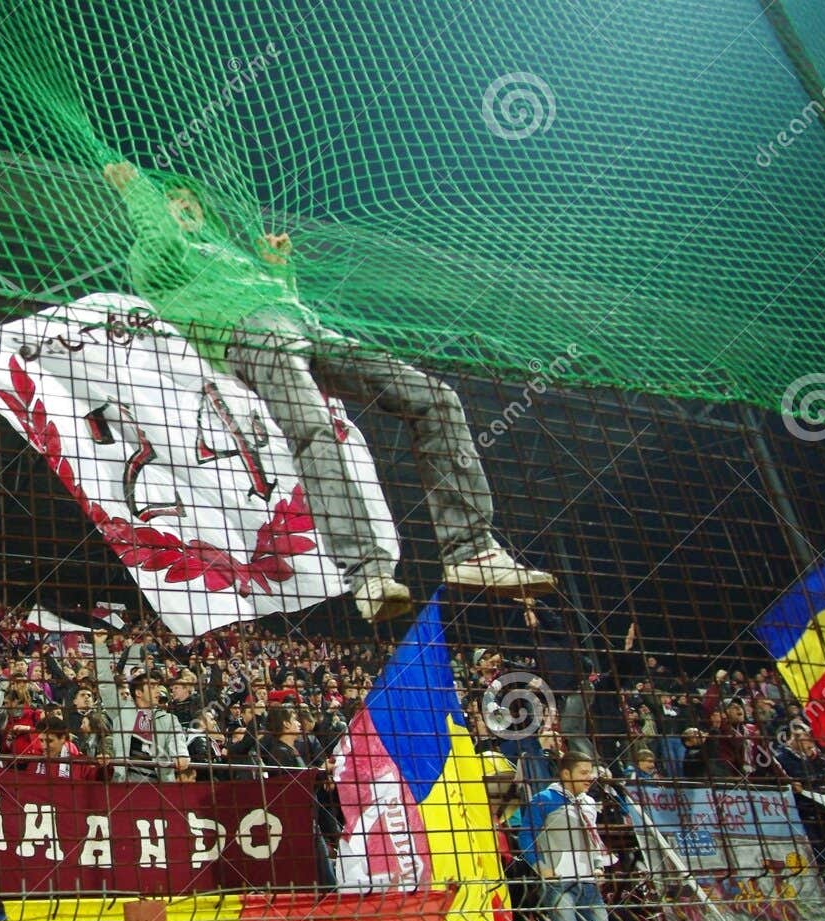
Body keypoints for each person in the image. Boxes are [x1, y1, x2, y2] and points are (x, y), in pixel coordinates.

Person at [103, 161, 554, 621]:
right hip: (250, 338)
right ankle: (369, 575)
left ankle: (472, 552)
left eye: (190, 200)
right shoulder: (153, 253)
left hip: (311, 331)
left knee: (434, 398)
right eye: (171, 201)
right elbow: (160, 241)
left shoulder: (230, 256)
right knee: (315, 431)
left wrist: (281, 269)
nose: (183, 206)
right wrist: (137, 191)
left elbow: (284, 299)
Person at [523, 751, 624, 921]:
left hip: (589, 883)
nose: (589, 778)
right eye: (583, 772)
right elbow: (525, 835)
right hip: (559, 881)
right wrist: (540, 866)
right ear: (566, 774)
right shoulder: (544, 799)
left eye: (590, 772)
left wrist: (597, 865)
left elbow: (592, 839)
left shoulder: (589, 803)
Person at [91, 629, 190, 782]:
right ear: (138, 693)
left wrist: (181, 754)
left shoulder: (169, 719)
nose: (158, 691)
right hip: (124, 784)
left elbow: (176, 740)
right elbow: (105, 683)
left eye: (158, 686)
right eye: (152, 687)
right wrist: (99, 647)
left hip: (160, 788)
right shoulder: (120, 712)